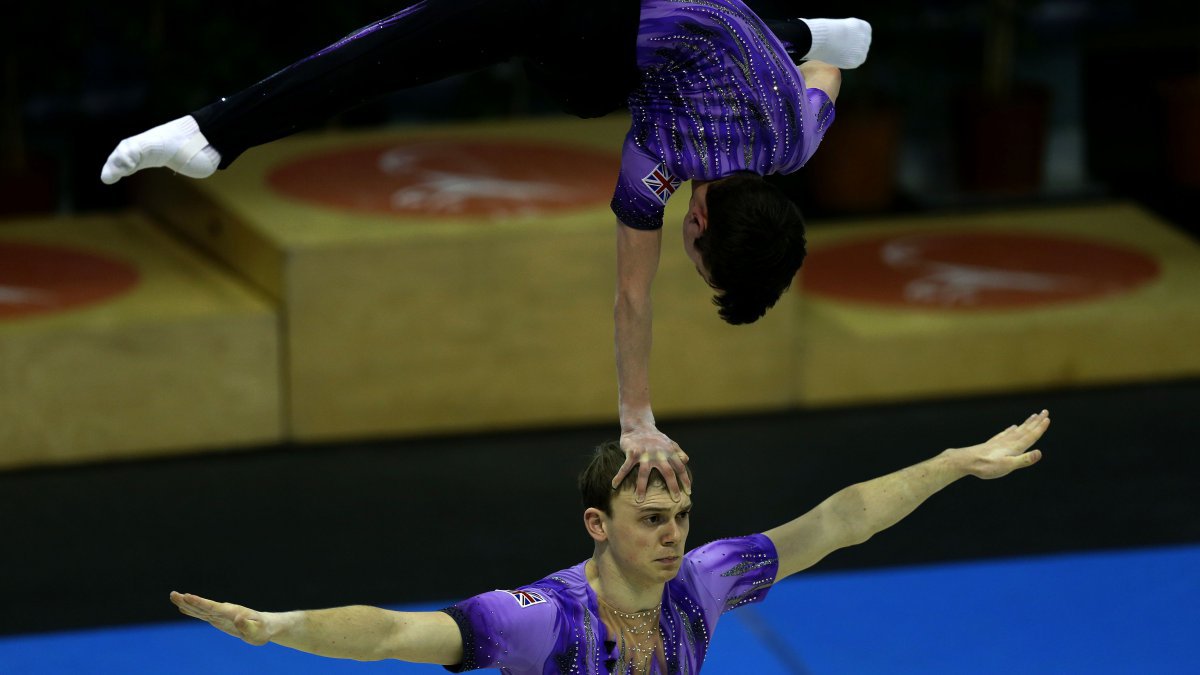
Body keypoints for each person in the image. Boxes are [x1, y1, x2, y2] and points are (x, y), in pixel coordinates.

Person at [100, 0, 874, 498]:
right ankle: (216, 131)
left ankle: (803, 23)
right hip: (597, 31)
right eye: (694, 259)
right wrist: (635, 418)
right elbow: (632, 295)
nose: (682, 252)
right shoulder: (664, 159)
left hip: (695, 25)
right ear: (699, 220)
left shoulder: (799, 138)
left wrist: (810, 42)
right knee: (429, 36)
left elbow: (829, 71)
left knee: (717, 39)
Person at [171, 410, 1049, 673]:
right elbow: (396, 631)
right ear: (598, 523)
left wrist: (950, 463)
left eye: (682, 516)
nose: (674, 535)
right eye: (652, 519)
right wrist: (278, 626)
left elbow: (836, 521)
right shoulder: (539, 619)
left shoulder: (704, 580)